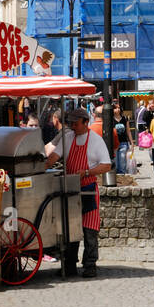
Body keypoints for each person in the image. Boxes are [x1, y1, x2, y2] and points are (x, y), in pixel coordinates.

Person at [44, 107, 113, 278]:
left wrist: (87, 172)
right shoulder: (67, 138)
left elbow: (106, 165)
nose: (73, 126)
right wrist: (40, 166)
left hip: (88, 189)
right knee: (70, 228)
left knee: (90, 230)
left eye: (76, 123)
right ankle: (69, 265)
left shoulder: (96, 141)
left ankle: (90, 265)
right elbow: (54, 157)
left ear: (85, 122)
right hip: (70, 189)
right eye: (71, 123)